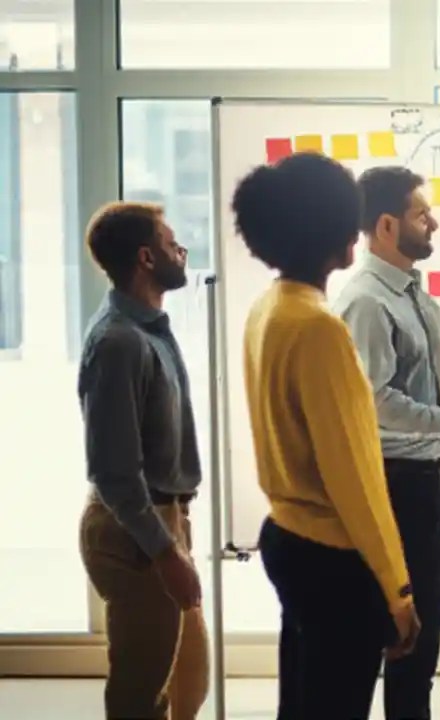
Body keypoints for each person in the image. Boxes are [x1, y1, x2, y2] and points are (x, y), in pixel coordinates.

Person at [233, 153, 421, 720]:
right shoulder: (319, 328)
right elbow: (355, 476)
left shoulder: (270, 308)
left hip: (287, 535)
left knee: (304, 702)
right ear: (329, 230)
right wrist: (398, 590)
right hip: (334, 555)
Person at [333, 166, 440, 720]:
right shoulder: (367, 302)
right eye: (421, 215)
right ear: (385, 225)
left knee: (420, 644)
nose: (433, 225)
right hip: (391, 483)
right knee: (394, 637)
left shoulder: (414, 295)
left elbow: (424, 379)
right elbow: (376, 403)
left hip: (423, 484)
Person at [78, 201, 208, 720]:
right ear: (146, 257)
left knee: (188, 679)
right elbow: (114, 471)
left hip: (163, 521)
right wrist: (165, 552)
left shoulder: (149, 328)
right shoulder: (119, 342)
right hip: (136, 532)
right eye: (171, 240)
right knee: (140, 696)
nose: (182, 249)